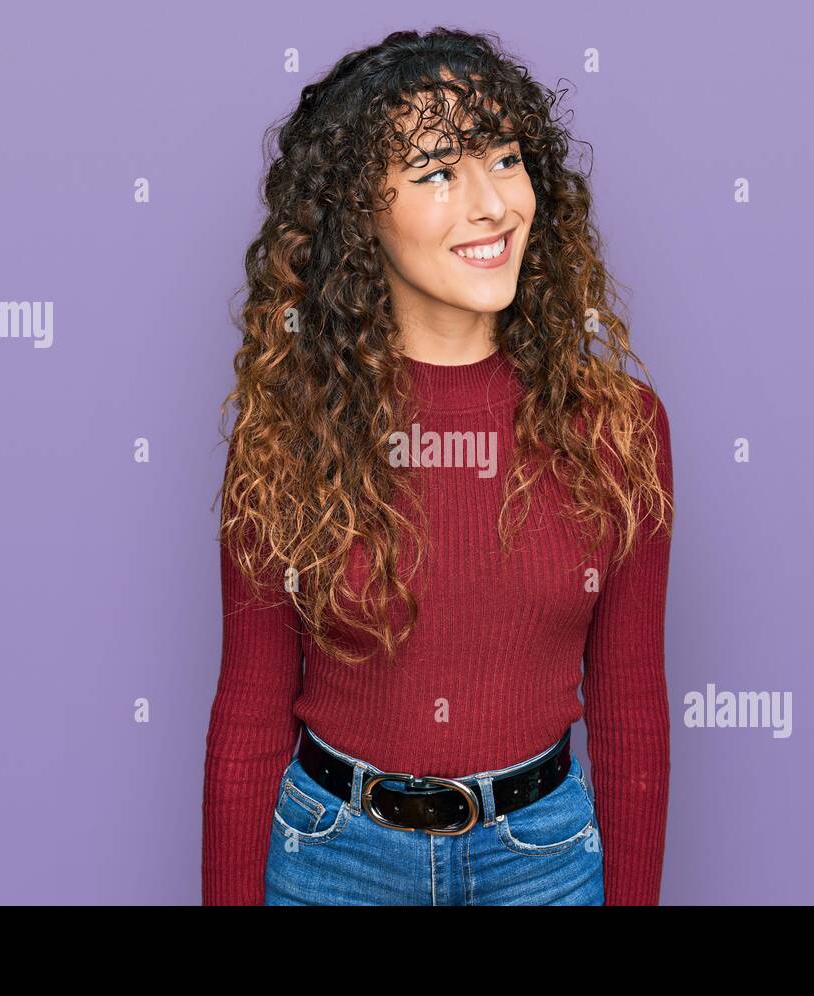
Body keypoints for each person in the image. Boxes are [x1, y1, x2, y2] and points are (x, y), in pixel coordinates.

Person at [203, 26, 674, 906]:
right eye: (436, 173)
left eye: (504, 158)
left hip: (544, 860)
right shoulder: (285, 432)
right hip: (331, 859)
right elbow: (249, 707)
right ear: (358, 216)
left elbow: (632, 706)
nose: (493, 204)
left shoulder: (621, 427)